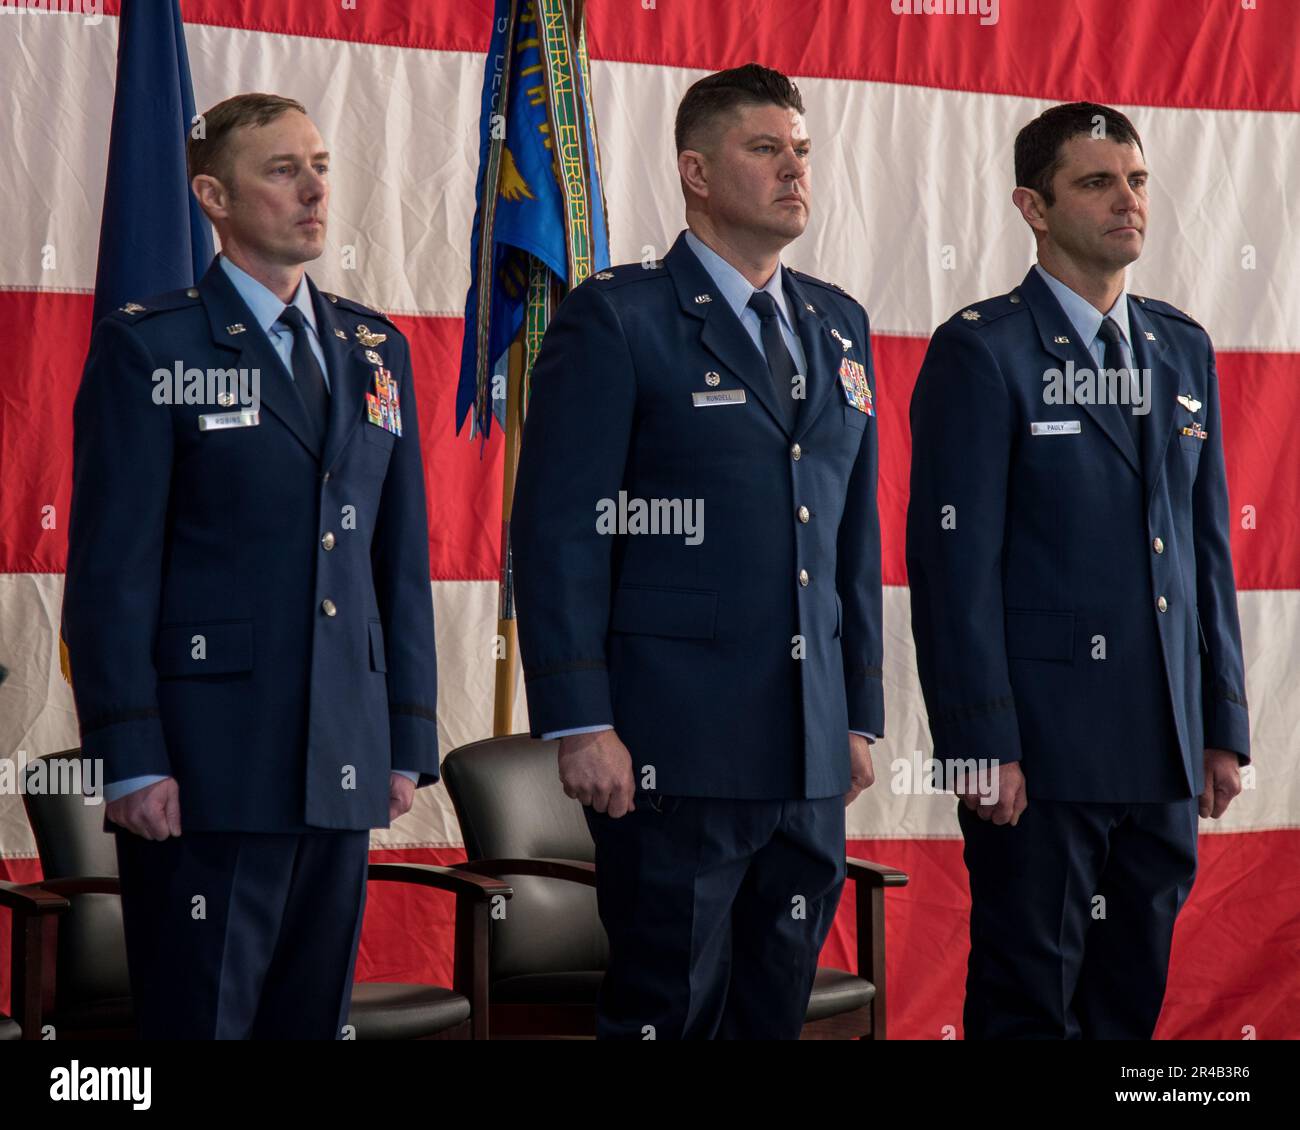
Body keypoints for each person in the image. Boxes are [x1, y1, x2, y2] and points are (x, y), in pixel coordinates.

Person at [512, 63, 884, 1039]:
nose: (793, 170)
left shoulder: (837, 324)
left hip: (807, 752)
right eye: (765, 149)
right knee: (666, 1010)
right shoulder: (619, 317)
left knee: (774, 1008)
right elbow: (560, 531)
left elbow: (851, 537)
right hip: (669, 746)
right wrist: (579, 718)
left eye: (800, 150)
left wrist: (860, 712)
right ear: (697, 172)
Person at [63, 93, 440, 1039]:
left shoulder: (373, 349)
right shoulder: (152, 346)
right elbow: (111, 574)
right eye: (282, 170)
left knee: (310, 1023)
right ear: (212, 196)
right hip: (206, 763)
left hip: (341, 758)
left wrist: (403, 735)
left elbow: (396, 566)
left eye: (318, 165)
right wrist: (131, 755)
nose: (314, 187)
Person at [906, 101, 1250, 1039]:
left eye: (1136, 180)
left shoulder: (1181, 346)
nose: (1127, 201)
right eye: (1096, 182)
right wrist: (981, 743)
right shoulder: (982, 351)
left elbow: (1204, 550)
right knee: (1029, 1002)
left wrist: (1222, 724)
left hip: (1166, 749)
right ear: (1034, 205)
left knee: (1127, 1004)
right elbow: (951, 570)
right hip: (1041, 754)